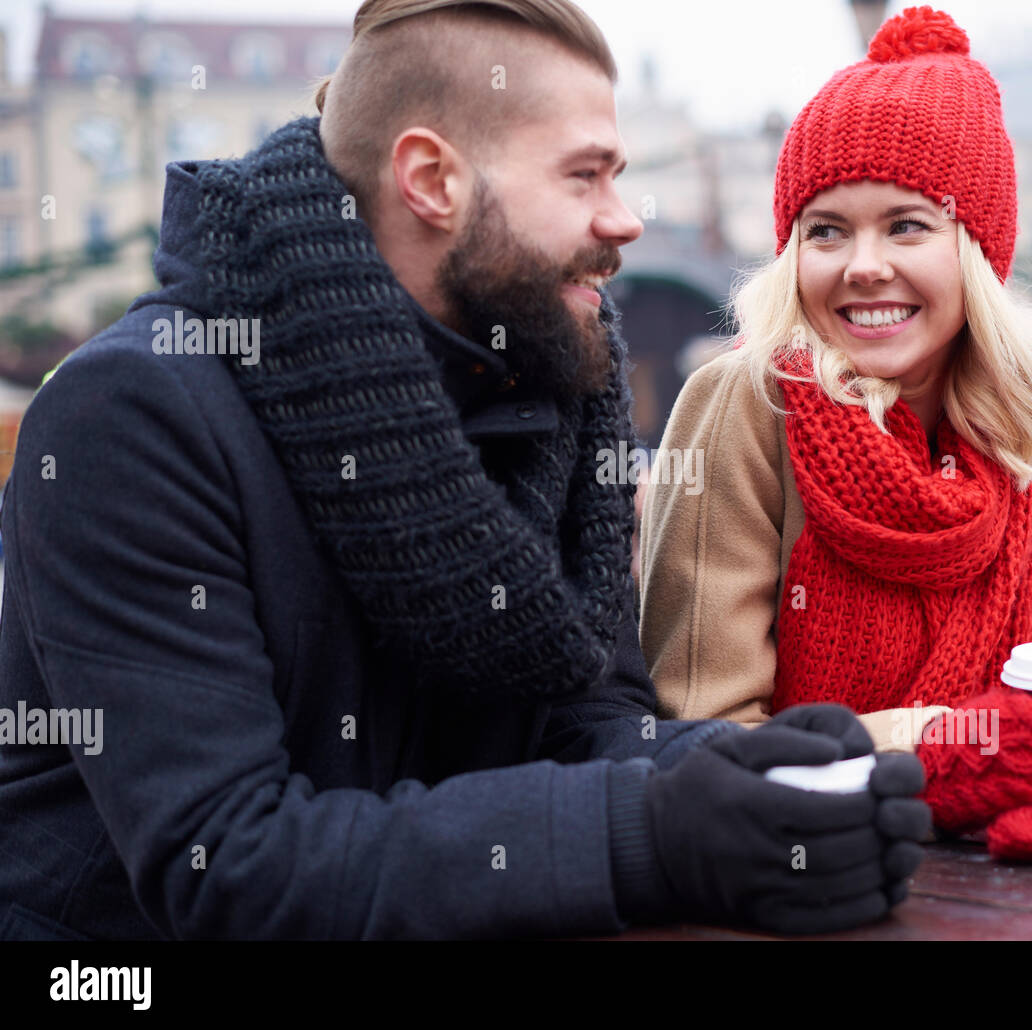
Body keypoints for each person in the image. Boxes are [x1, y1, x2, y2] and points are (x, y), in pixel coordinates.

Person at [0, 0, 930, 940]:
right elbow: (229, 865)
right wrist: (654, 835)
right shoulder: (130, 416)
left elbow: (582, 724)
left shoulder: (545, 382)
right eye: (584, 176)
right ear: (432, 179)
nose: (625, 219)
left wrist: (743, 772)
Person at [638, 6, 1032, 865]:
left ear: (975, 251)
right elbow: (706, 735)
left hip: (1001, 879)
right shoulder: (743, 403)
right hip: (798, 874)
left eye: (907, 224)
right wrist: (959, 742)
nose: (863, 264)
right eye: (827, 230)